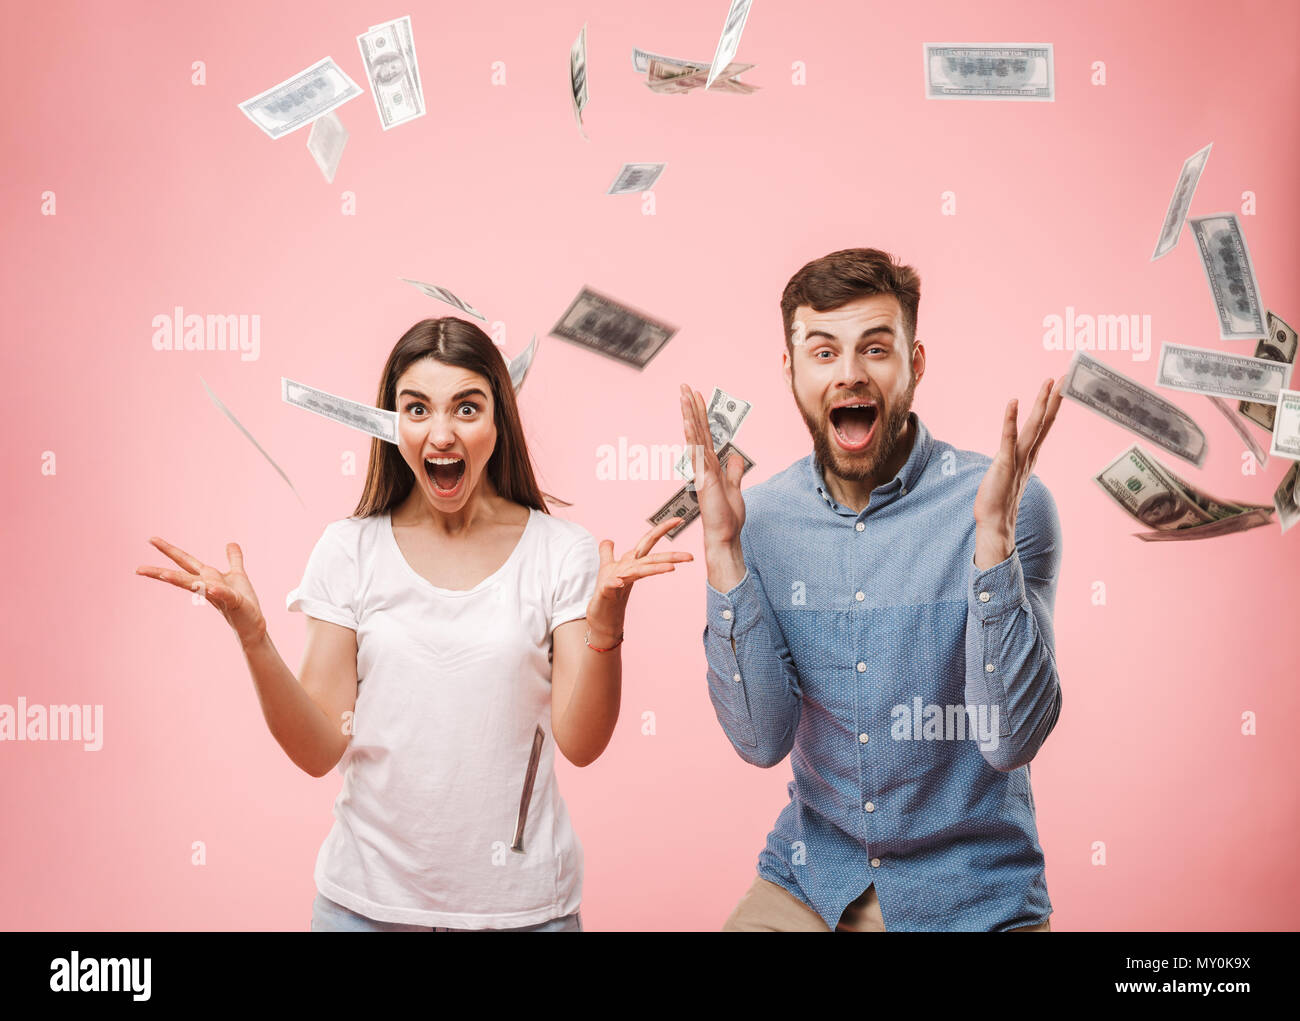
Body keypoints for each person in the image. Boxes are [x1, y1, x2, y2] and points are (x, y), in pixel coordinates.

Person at [137, 317, 692, 931]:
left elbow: (582, 744)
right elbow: (320, 747)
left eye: (467, 408)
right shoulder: (348, 550)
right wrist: (252, 635)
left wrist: (606, 626)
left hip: (524, 914)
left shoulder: (562, 551)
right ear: (389, 422)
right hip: (362, 909)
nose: (442, 433)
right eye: (417, 408)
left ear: (498, 422)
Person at [681, 247, 1065, 932]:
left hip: (973, 897)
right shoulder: (758, 520)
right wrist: (722, 553)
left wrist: (992, 546)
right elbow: (761, 740)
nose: (850, 373)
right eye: (823, 352)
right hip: (812, 881)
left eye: (876, 349)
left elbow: (1010, 740)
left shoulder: (1007, 503)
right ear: (791, 370)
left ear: (914, 365)